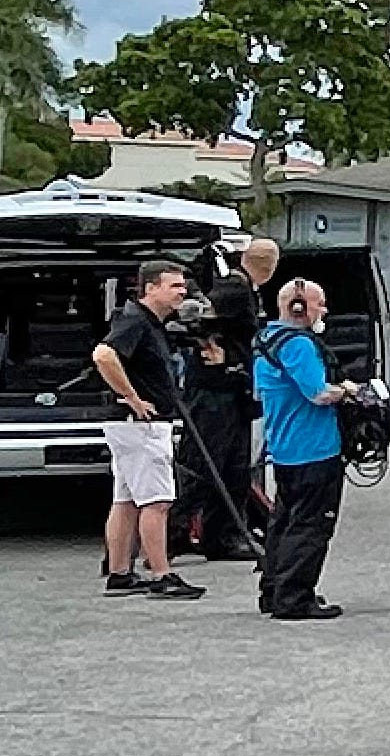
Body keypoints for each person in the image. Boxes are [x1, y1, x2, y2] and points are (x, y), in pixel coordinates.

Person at [90, 260, 206, 600]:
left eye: (183, 287)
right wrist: (134, 398)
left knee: (125, 500)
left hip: (128, 426)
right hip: (141, 425)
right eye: (174, 286)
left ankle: (120, 573)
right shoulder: (134, 321)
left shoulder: (149, 323)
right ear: (150, 288)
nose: (182, 293)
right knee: (157, 502)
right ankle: (161, 574)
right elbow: (103, 355)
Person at [251, 278, 357, 622]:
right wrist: (348, 389)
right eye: (319, 303)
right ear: (299, 307)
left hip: (283, 449)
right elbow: (318, 393)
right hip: (314, 448)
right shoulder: (298, 345)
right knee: (310, 526)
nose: (324, 310)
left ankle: (274, 590)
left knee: (282, 523)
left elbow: (260, 393)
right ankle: (295, 598)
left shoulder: (265, 339)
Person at [171, 237, 275, 562]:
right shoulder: (232, 289)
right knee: (203, 465)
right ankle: (174, 536)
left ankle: (223, 536)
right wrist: (213, 349)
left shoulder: (244, 288)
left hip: (235, 391)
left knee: (234, 469)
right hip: (215, 393)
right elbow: (195, 321)